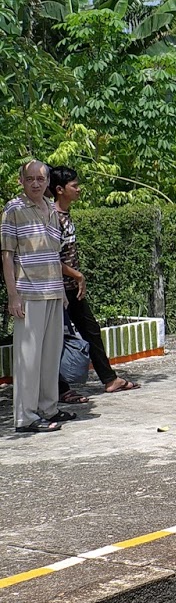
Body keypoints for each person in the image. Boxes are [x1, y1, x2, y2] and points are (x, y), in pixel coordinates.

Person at [49, 166, 139, 400]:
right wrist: (77, 275)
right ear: (59, 189)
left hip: (71, 287)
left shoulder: (65, 215)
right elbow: (49, 258)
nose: (78, 189)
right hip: (56, 288)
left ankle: (110, 379)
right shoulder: (50, 217)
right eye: (74, 186)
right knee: (60, 339)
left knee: (91, 330)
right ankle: (61, 390)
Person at [3, 161, 69, 433]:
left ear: (47, 181)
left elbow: (55, 254)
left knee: (50, 356)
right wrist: (12, 295)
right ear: (21, 181)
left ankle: (47, 407)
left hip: (52, 290)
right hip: (28, 292)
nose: (35, 184)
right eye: (29, 179)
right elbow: (6, 254)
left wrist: (63, 291)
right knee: (28, 358)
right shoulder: (13, 209)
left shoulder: (52, 210)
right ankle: (26, 417)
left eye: (40, 179)